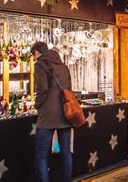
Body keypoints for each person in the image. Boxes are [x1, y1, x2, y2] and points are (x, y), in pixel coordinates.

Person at [31, 42, 72, 182]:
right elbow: (69, 90)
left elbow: (42, 89)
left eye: (33, 55)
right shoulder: (63, 66)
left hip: (47, 115)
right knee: (66, 153)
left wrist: (37, 105)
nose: (34, 58)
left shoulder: (40, 65)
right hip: (65, 113)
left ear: (37, 52)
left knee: (42, 155)